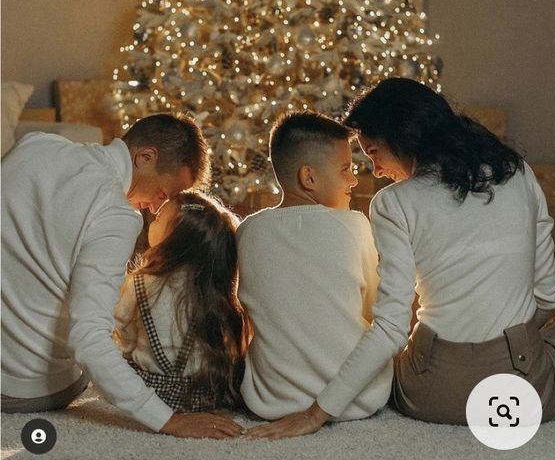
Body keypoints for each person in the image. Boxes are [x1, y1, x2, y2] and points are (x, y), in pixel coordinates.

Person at [247, 78, 555, 438]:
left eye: (374, 153)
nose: (376, 170)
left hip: (430, 393)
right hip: (522, 386)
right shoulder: (517, 173)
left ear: (403, 138)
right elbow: (549, 296)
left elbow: (391, 328)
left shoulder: (393, 202)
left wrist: (316, 414)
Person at [1, 114, 243, 439]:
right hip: (24, 387)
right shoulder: (116, 215)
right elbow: (88, 339)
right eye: (162, 191)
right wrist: (168, 420)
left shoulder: (34, 146)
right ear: (145, 156)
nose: (157, 206)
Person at [237, 111, 392, 426]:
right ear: (308, 177)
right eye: (345, 169)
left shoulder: (247, 231)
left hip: (271, 398)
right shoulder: (355, 225)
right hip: (358, 398)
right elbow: (377, 309)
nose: (353, 180)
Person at [114, 190, 249, 415]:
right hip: (203, 395)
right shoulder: (214, 288)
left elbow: (123, 335)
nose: (153, 218)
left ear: (174, 238)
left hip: (150, 392)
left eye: (159, 218)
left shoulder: (140, 283)